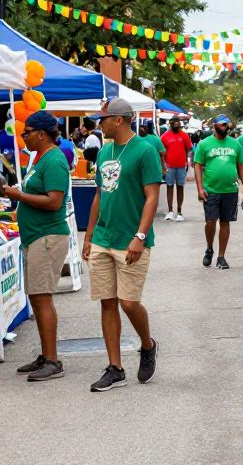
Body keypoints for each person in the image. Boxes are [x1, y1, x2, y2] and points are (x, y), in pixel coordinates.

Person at [81, 99, 161, 392]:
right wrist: (88, 236)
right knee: (107, 302)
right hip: (103, 237)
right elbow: (100, 195)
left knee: (129, 302)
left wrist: (139, 236)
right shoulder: (104, 152)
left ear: (118, 120)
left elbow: (152, 197)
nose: (98, 124)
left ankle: (147, 344)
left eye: (102, 119)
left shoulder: (145, 151)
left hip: (131, 239)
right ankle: (115, 368)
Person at [2, 111, 71, 382]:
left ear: (42, 134)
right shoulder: (39, 158)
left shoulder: (53, 160)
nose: (23, 137)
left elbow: (54, 201)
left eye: (27, 132)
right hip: (36, 236)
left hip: (47, 236)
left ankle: (53, 360)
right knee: (37, 297)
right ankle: (46, 354)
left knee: (42, 298)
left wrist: (20, 195)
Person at [193, 114, 243, 270]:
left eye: (227, 125)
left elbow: (241, 167)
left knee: (225, 222)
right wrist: (200, 188)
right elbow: (197, 165)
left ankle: (221, 257)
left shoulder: (235, 144)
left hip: (230, 190)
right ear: (215, 126)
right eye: (223, 125)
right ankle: (209, 248)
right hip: (211, 190)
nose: (226, 127)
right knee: (210, 222)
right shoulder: (205, 144)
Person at [160, 119, 193, 221]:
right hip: (169, 166)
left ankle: (179, 211)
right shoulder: (164, 136)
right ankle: (170, 211)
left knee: (180, 187)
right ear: (170, 125)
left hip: (181, 166)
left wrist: (188, 161)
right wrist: (163, 166)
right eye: (174, 125)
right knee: (169, 187)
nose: (176, 127)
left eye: (178, 126)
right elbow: (161, 152)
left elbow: (189, 149)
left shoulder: (184, 135)